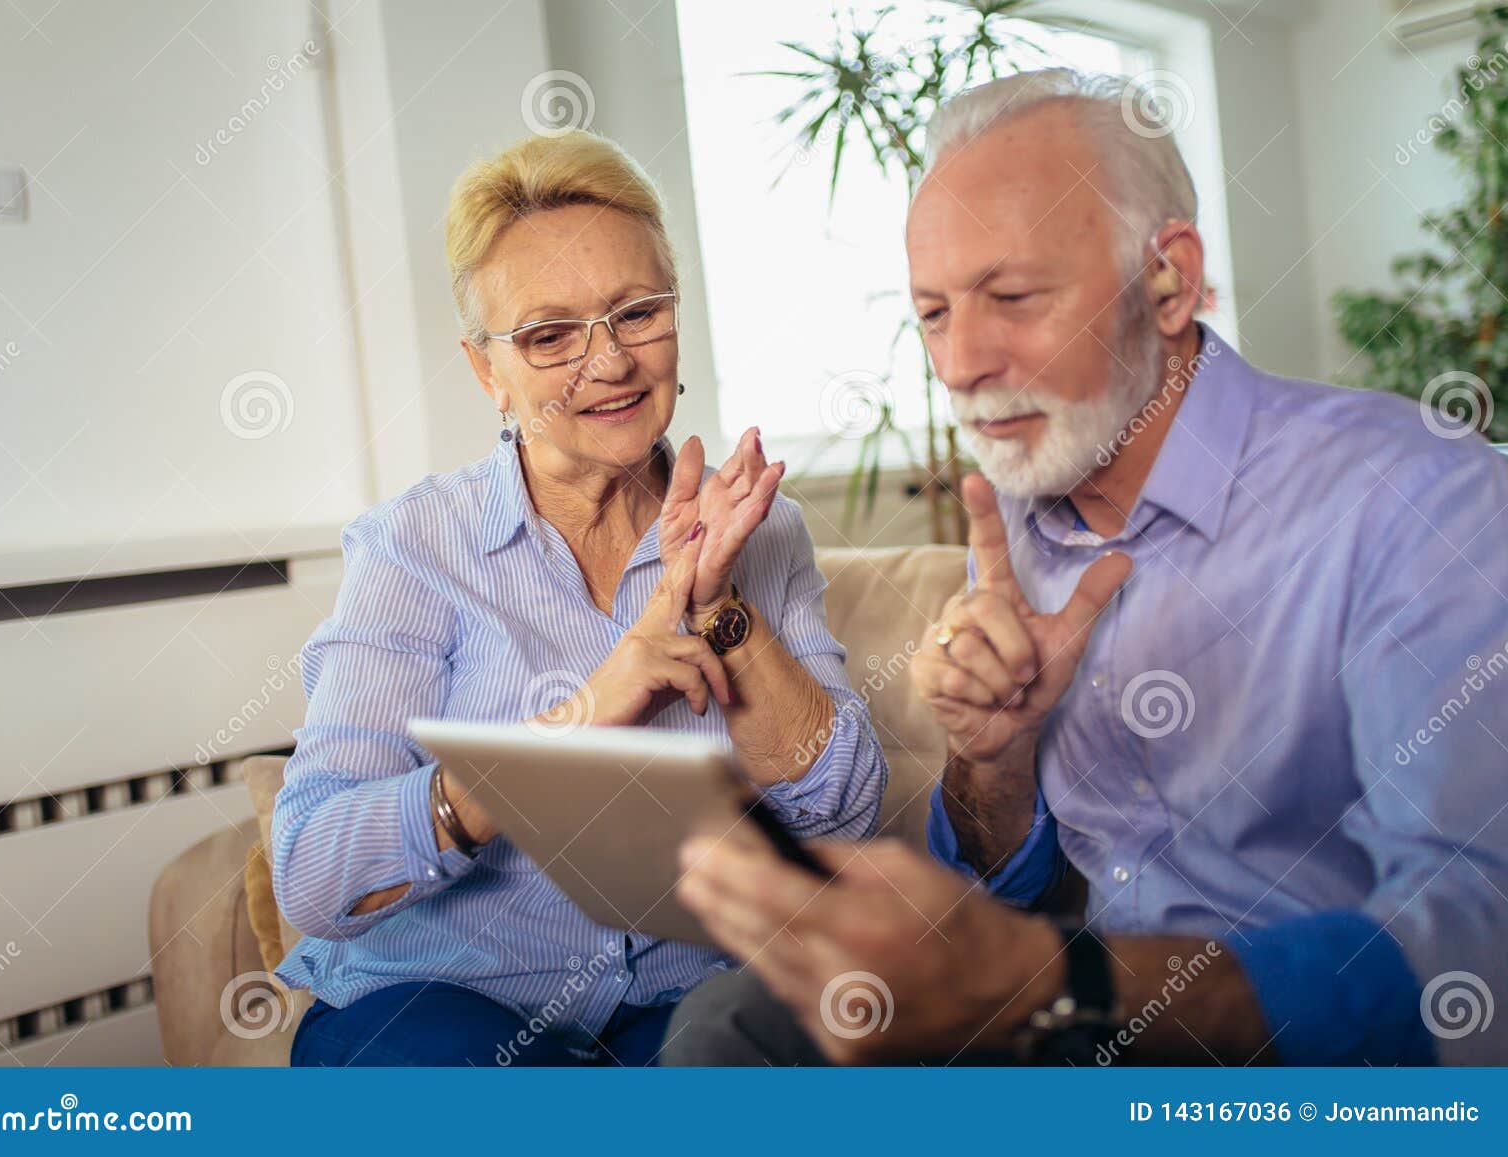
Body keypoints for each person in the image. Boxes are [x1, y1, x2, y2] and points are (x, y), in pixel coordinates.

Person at [664, 69, 1508, 1067]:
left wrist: (1050, 983)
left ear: (1169, 281)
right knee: (733, 1023)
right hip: (1074, 1028)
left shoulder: (1417, 497)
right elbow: (994, 889)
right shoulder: (1029, 502)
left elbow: (1478, 948)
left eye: (1011, 296)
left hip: (1305, 1063)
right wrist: (992, 753)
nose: (961, 361)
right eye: (932, 313)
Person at [273, 131, 888, 1067]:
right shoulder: (414, 546)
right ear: (490, 373)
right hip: (442, 998)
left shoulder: (757, 527)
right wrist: (570, 728)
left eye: (636, 313)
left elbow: (842, 819)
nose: (608, 365)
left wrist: (723, 607)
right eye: (549, 335)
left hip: (685, 1000)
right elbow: (313, 870)